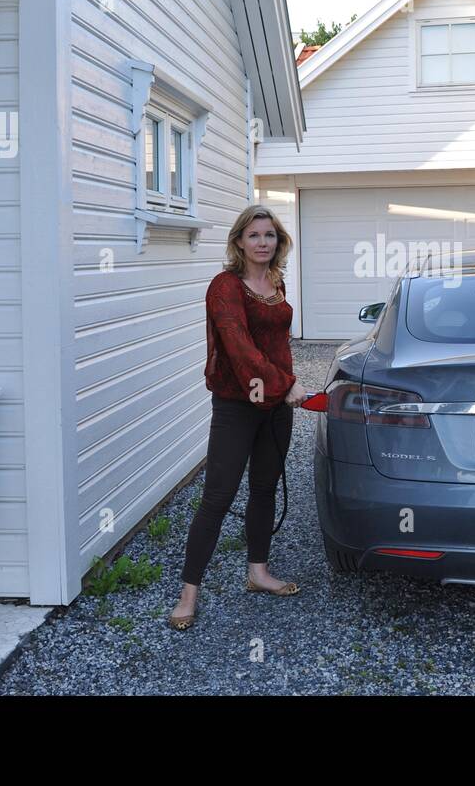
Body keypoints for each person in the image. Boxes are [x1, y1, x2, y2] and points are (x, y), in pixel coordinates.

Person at [168, 205, 306, 630]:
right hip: (236, 406)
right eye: (254, 235)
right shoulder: (225, 287)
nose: (263, 242)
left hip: (276, 407)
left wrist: (285, 384)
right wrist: (286, 383)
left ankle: (258, 572)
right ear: (239, 242)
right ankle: (188, 594)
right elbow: (239, 347)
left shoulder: (276, 283)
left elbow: (276, 342)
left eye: (270, 235)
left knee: (264, 489)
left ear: (278, 241)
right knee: (217, 497)